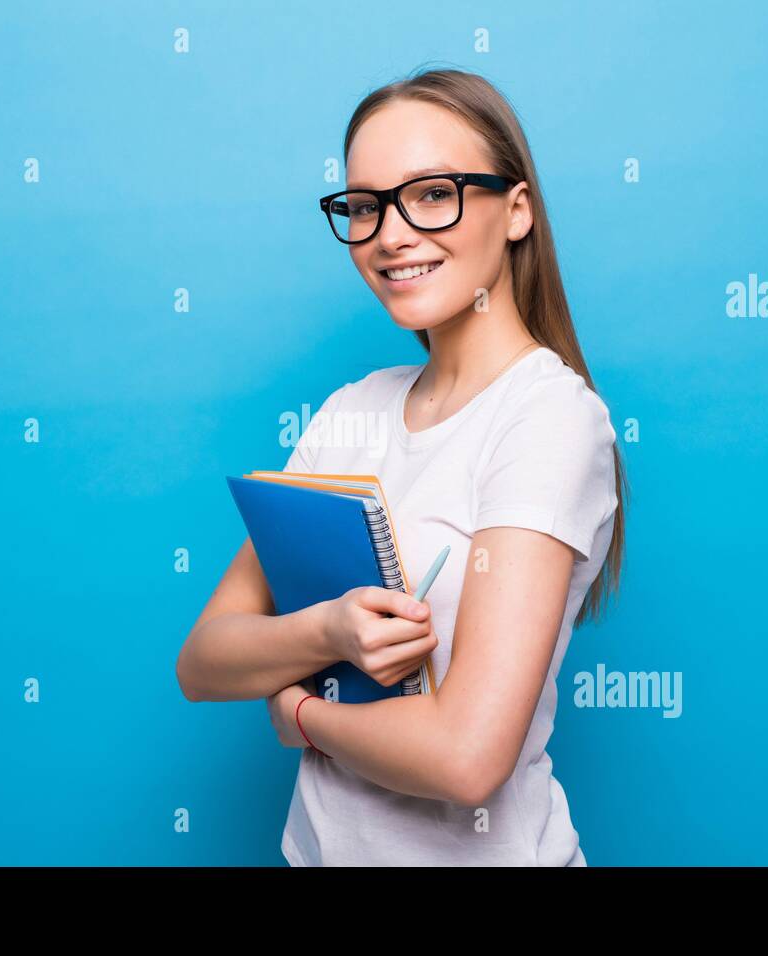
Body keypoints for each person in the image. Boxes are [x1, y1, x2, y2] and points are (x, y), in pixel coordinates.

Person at [176, 67, 628, 866]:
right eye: (364, 205)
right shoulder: (350, 411)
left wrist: (302, 717)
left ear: (516, 210)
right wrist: (328, 630)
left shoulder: (548, 418)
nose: (390, 234)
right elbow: (204, 660)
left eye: (431, 194)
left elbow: (467, 760)